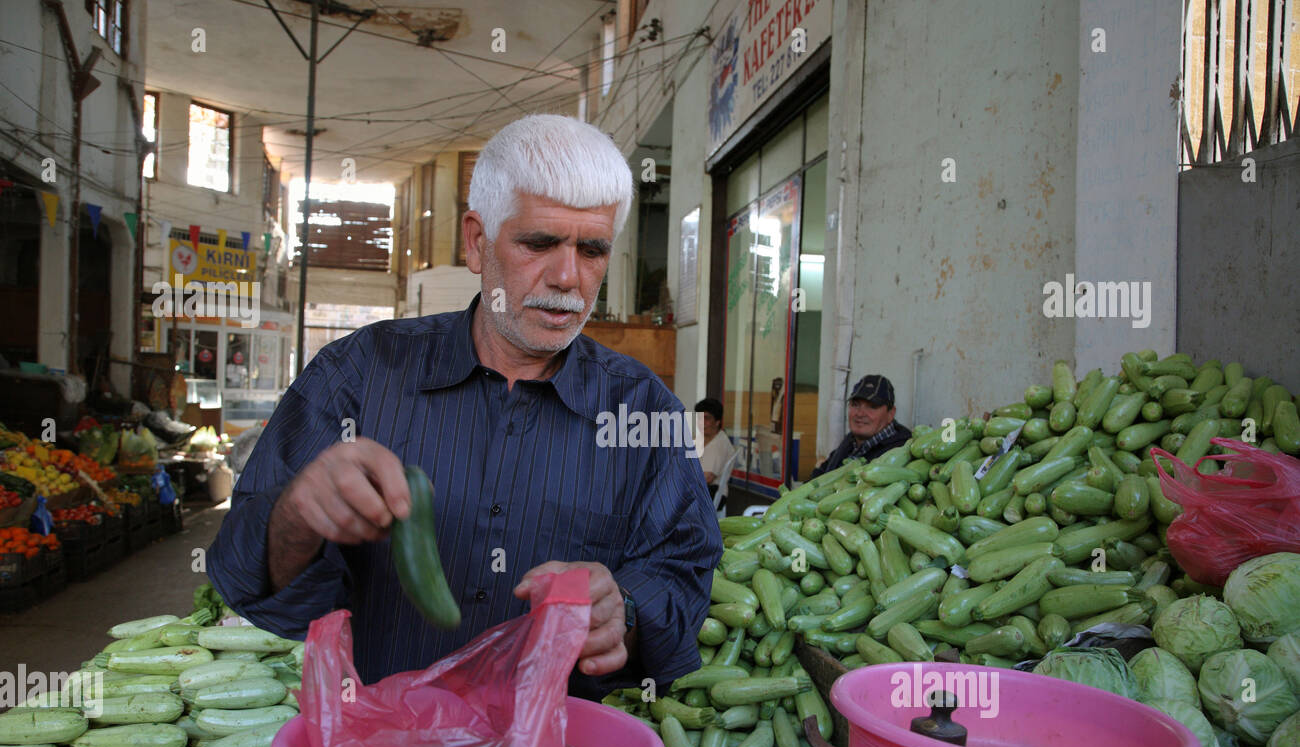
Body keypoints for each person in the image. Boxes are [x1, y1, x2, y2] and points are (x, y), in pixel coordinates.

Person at [206, 114, 723, 700]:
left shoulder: (643, 411)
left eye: (592, 249)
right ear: (477, 241)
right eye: (539, 243)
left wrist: (624, 612)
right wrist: (296, 515)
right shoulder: (357, 377)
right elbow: (241, 576)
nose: (567, 277)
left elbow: (683, 574)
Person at [810, 374, 912, 478]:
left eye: (872, 406)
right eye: (855, 405)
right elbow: (820, 476)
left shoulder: (903, 451)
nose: (860, 414)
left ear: (891, 413)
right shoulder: (849, 442)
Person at [693, 398, 734, 506]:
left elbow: (706, 478)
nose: (702, 423)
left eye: (706, 418)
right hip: (699, 490)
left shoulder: (718, 444)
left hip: (710, 493)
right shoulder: (702, 439)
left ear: (717, 422)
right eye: (699, 418)